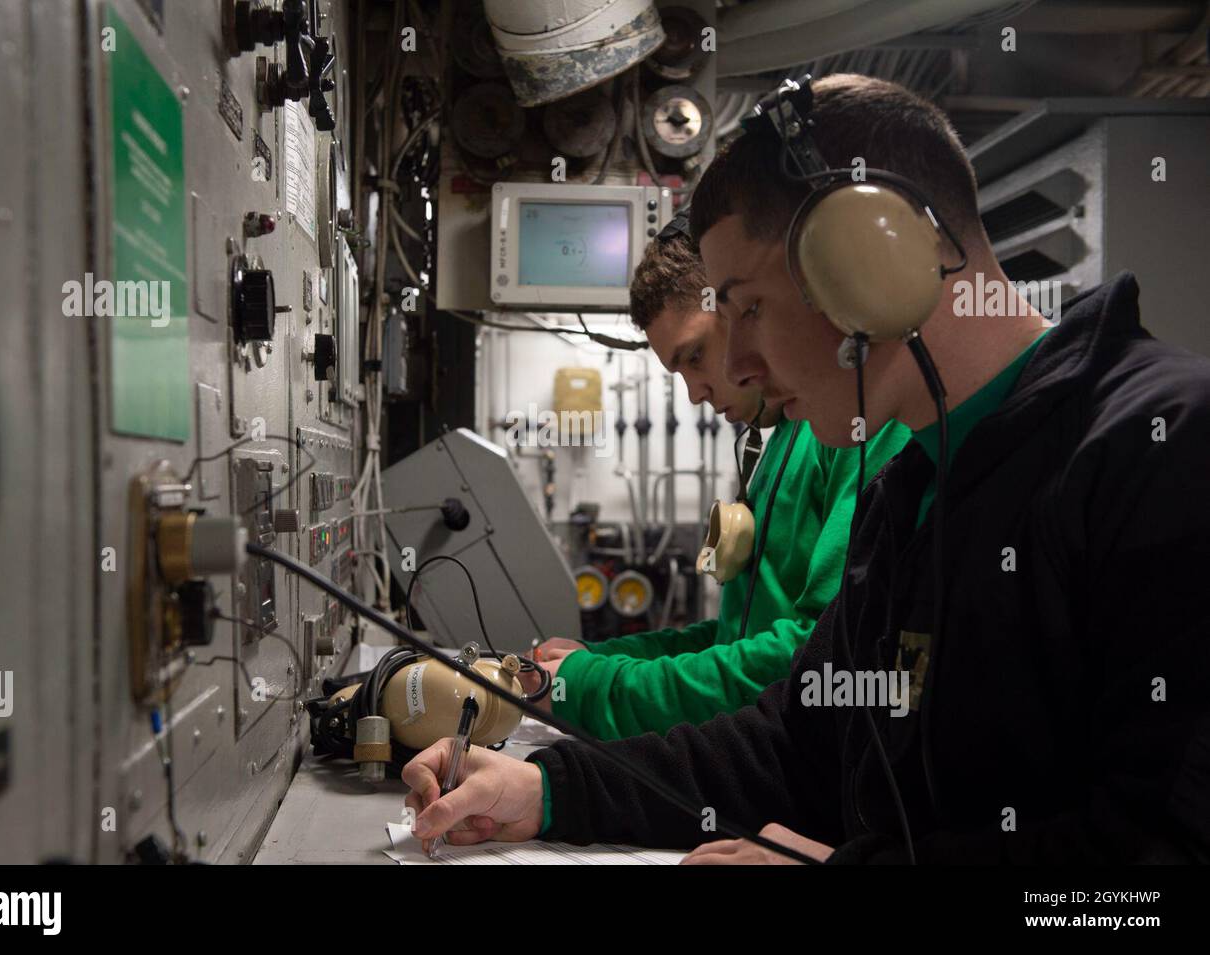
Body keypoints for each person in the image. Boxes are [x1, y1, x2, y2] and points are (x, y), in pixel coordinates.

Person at [403, 74, 1210, 863]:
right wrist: (547, 789)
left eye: (748, 305)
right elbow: (797, 744)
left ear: (874, 257)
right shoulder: (913, 490)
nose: (742, 362)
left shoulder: (1161, 446)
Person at [525, 226, 909, 740]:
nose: (695, 392)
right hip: (753, 745)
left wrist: (599, 687)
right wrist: (602, 659)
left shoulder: (853, 427)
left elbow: (815, 650)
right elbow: (739, 638)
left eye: (696, 356)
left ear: (741, 311)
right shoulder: (780, 439)